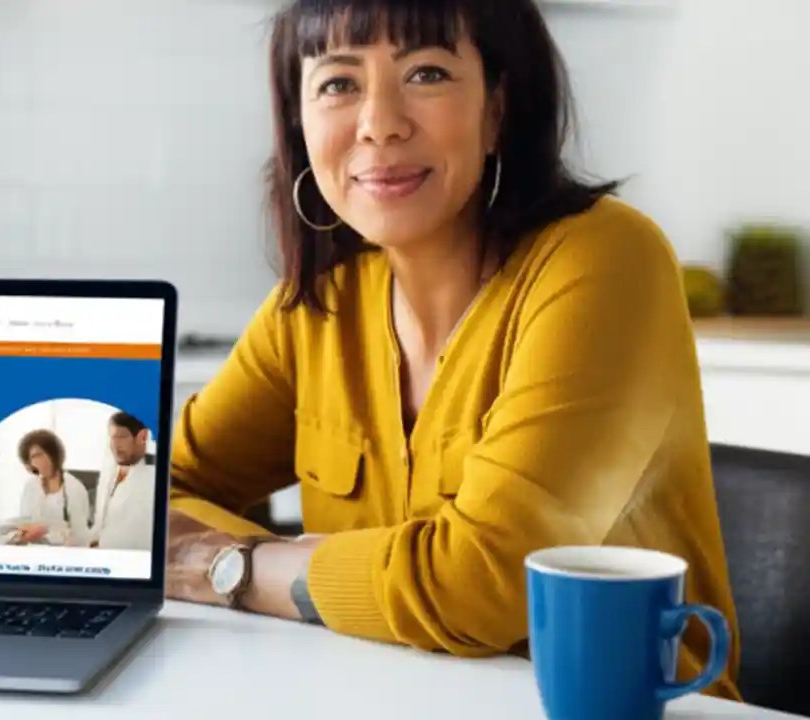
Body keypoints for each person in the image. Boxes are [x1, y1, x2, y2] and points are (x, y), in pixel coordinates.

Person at [165, 0, 741, 701]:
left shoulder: (606, 260)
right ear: (300, 123)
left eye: (427, 73)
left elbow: (481, 585)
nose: (379, 123)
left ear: (497, 110)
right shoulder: (317, 305)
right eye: (338, 84)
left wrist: (242, 569)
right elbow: (148, 500)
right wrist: (297, 570)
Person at [91, 412, 156, 551]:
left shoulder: (154, 478)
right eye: (112, 437)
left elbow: (137, 536)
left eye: (121, 437)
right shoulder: (108, 473)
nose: (115, 445)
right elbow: (100, 522)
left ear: (142, 437)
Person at [17, 429, 92, 546]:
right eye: (30, 458)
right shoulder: (31, 486)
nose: (34, 462)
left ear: (53, 454)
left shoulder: (74, 488)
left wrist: (47, 533)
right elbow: (25, 522)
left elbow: (80, 535)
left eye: (37, 455)